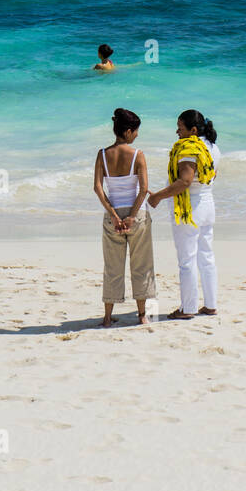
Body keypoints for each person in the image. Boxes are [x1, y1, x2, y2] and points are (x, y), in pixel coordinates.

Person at [148, 110, 220, 320]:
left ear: (193, 130)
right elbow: (213, 174)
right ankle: (211, 304)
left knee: (186, 261)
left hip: (190, 210)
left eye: (180, 127)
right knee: (206, 256)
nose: (177, 131)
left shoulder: (189, 149)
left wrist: (158, 197)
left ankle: (188, 308)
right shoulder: (212, 148)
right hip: (208, 205)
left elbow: (185, 182)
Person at [93, 107, 155, 327]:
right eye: (136, 131)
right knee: (141, 265)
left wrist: (113, 214)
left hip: (113, 217)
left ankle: (108, 317)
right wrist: (131, 217)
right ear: (128, 132)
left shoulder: (102, 154)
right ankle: (142, 315)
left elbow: (98, 188)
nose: (137, 135)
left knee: (112, 267)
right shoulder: (138, 155)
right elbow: (143, 189)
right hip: (136, 216)